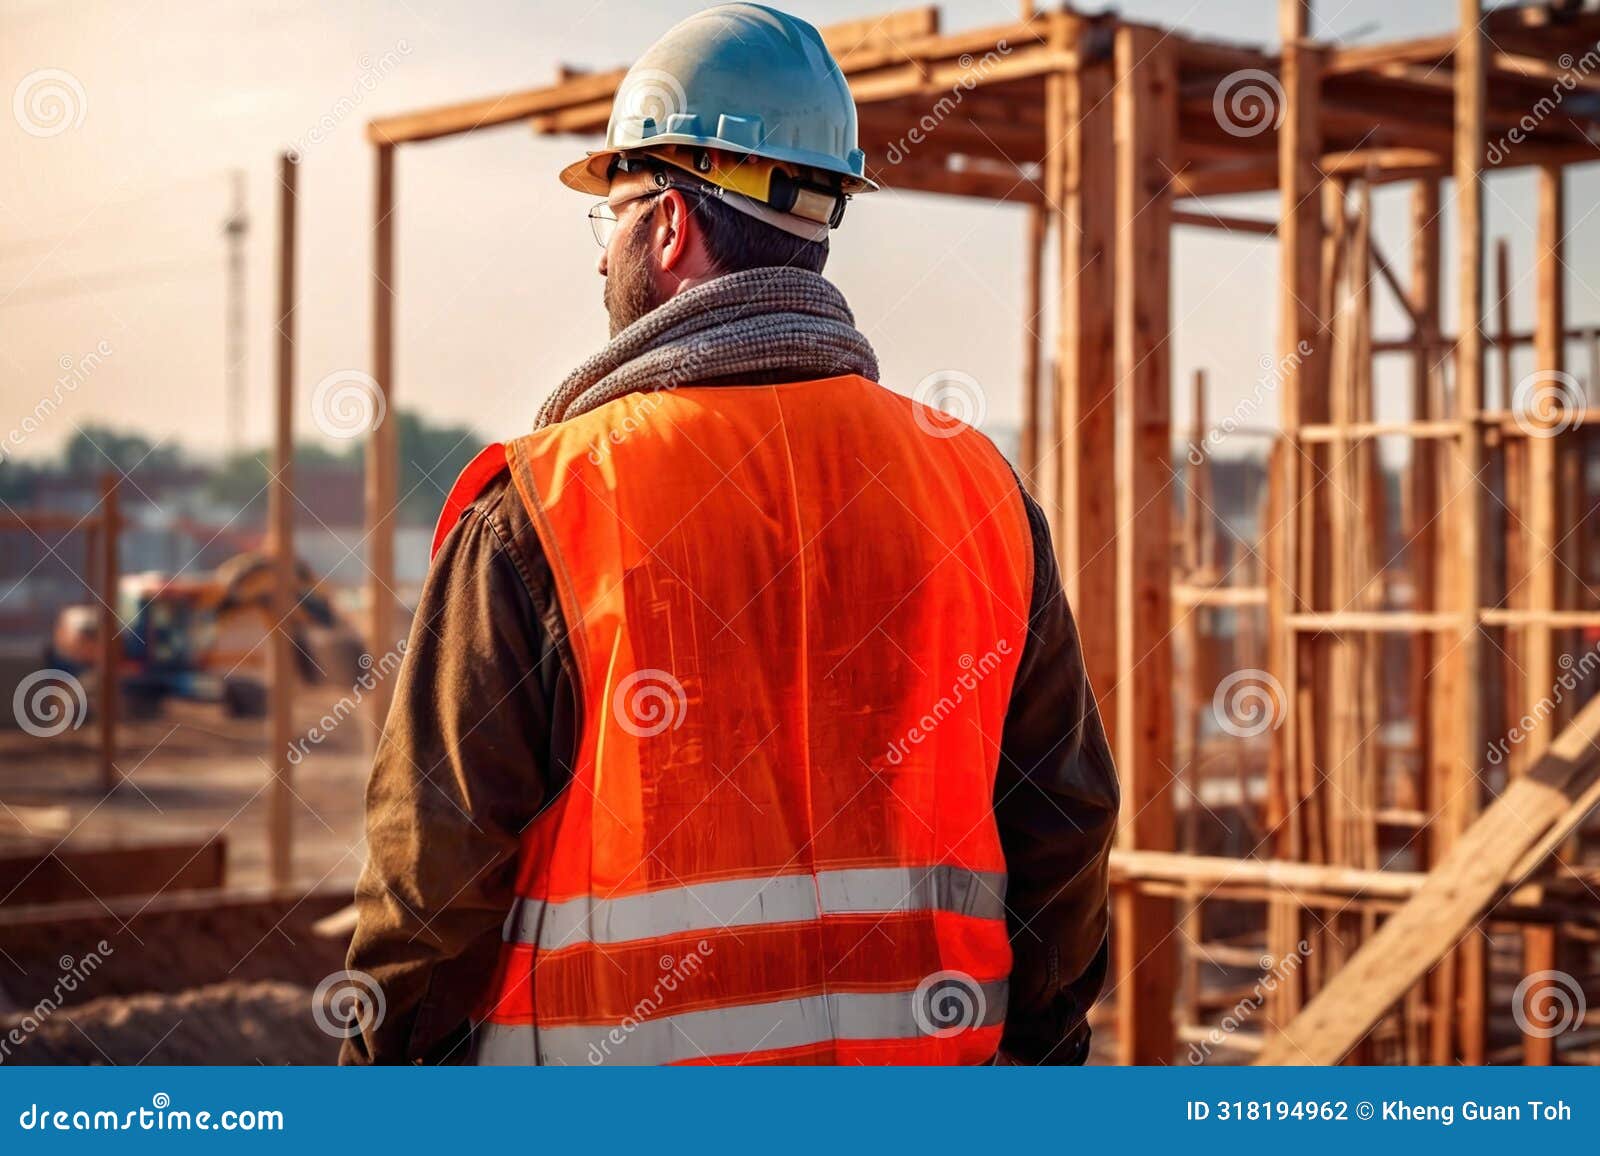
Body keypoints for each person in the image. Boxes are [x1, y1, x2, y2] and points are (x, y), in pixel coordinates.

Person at [341, 1, 1116, 1066]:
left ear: (665, 225)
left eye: (606, 218)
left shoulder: (542, 504)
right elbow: (1062, 827)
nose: (599, 255)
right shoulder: (980, 491)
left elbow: (431, 890)